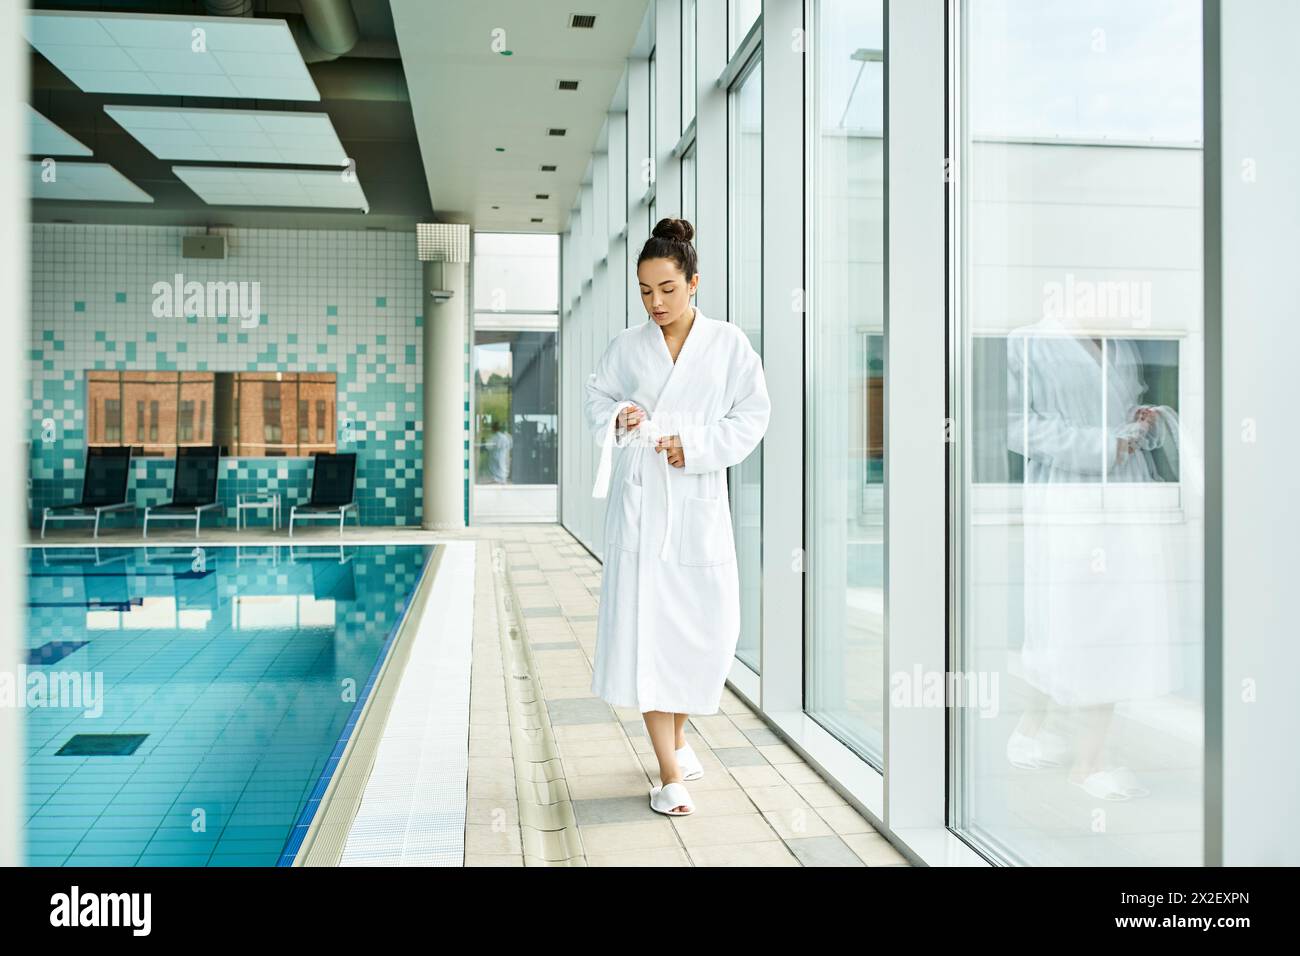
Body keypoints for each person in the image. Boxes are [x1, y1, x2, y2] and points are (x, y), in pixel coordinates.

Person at [584, 217, 771, 816]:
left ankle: (680, 736)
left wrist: (694, 446)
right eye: (645, 290)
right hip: (641, 505)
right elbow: (598, 396)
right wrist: (622, 418)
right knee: (646, 637)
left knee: (704, 635)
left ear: (694, 282)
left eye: (666, 288)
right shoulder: (627, 346)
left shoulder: (729, 345)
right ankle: (668, 774)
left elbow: (752, 416)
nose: (655, 302)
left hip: (696, 503)